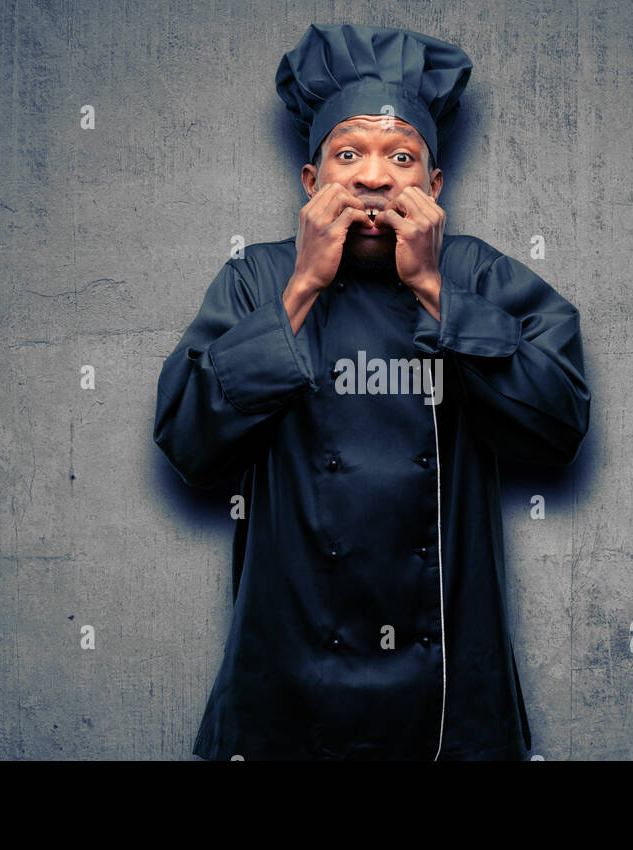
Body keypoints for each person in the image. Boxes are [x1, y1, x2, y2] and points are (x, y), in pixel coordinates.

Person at [154, 23, 591, 760]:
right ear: (311, 182)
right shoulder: (257, 279)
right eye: (348, 155)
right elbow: (189, 446)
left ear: (434, 187)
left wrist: (430, 286)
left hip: (446, 688)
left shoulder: (480, 276)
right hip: (290, 672)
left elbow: (559, 425)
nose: (374, 177)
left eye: (402, 157)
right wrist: (303, 287)